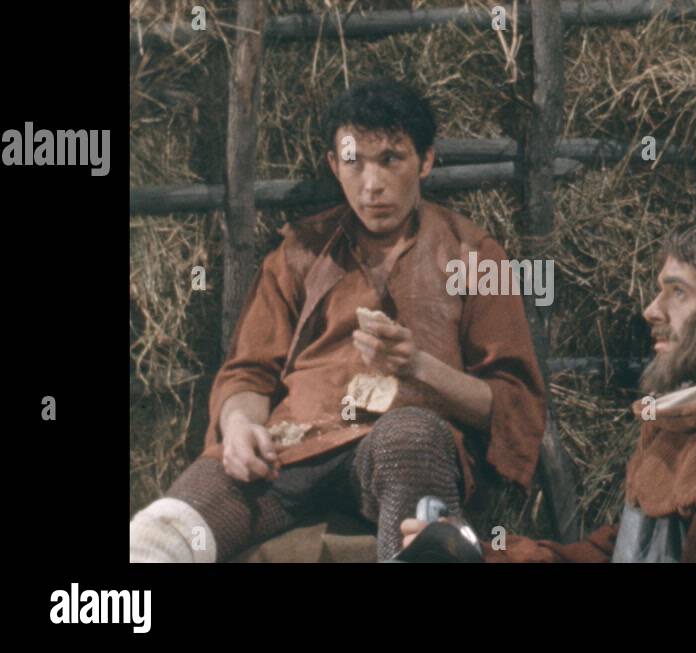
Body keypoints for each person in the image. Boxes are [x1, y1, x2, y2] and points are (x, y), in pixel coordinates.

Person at [130, 79, 547, 563]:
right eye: (354, 162)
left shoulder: (474, 256)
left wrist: (419, 368)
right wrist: (241, 424)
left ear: (426, 161)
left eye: (391, 159)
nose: (371, 184)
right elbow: (249, 372)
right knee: (162, 534)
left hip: (399, 448)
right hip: (292, 449)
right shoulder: (300, 251)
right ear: (334, 165)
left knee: (411, 436)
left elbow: (512, 406)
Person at [400, 218, 696, 562]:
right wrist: (481, 553)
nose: (651, 310)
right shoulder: (688, 420)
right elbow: (622, 552)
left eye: (677, 293)